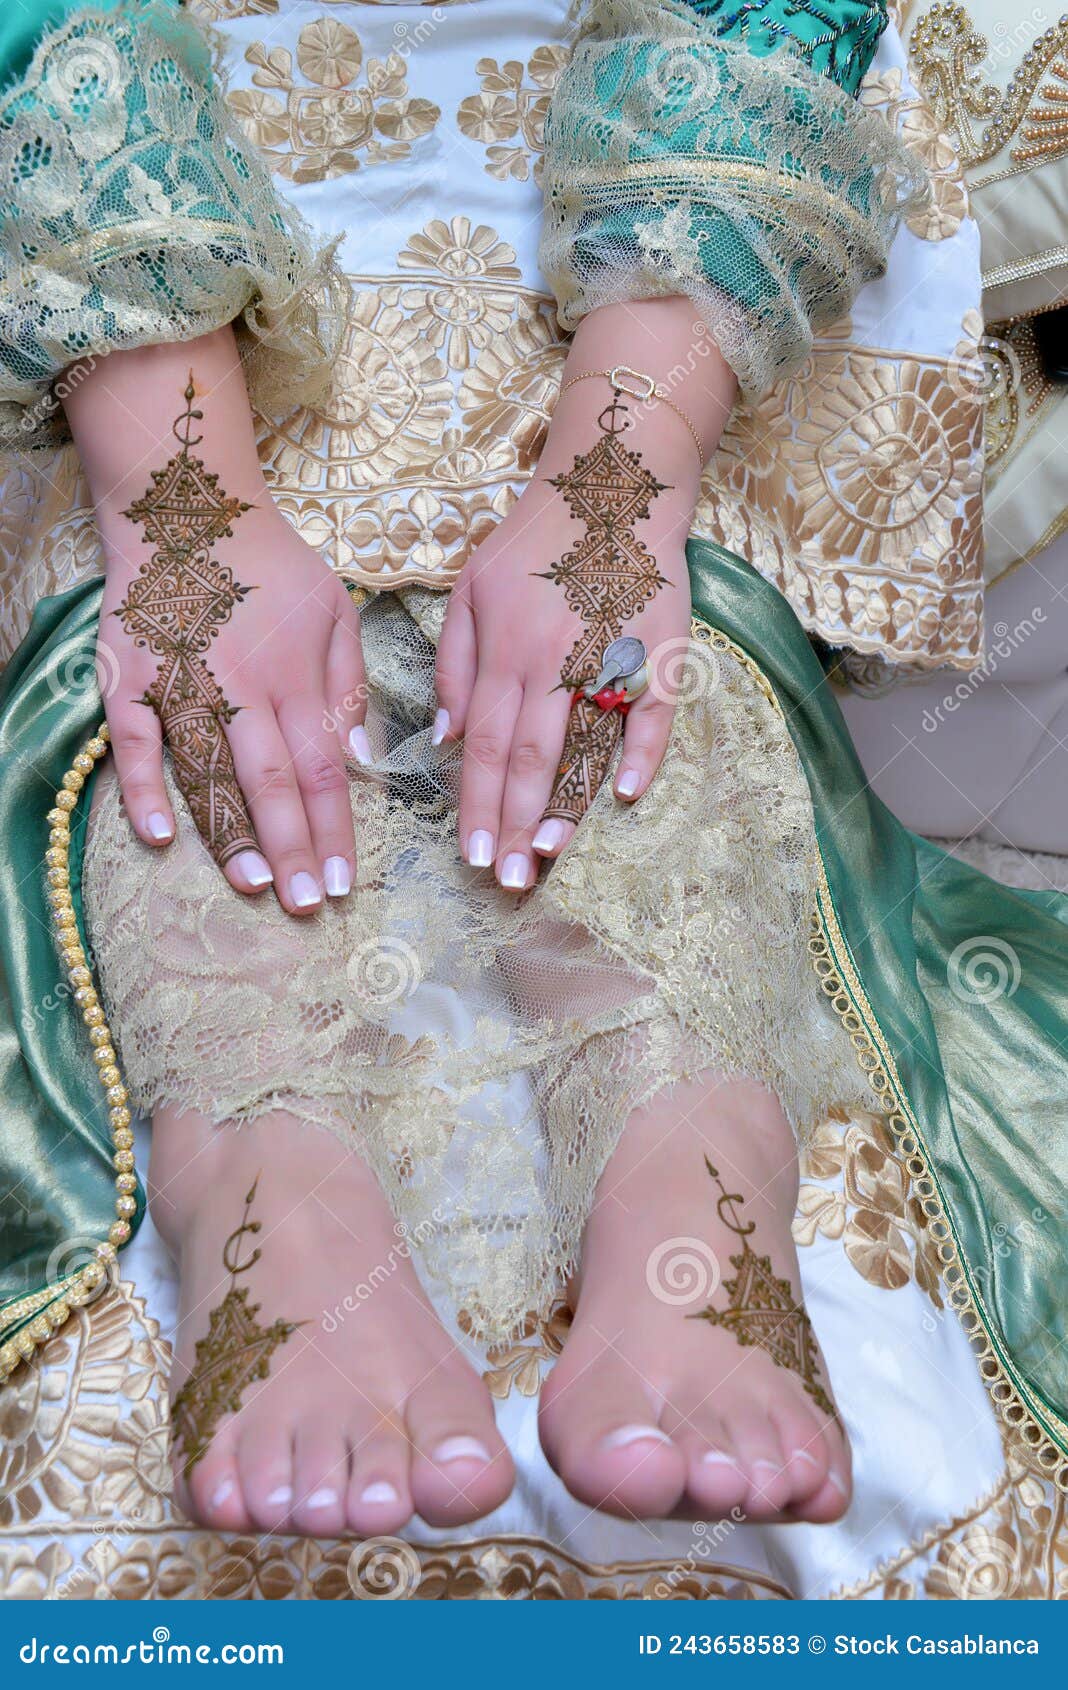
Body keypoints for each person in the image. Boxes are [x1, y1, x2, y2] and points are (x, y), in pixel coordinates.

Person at [1, 0, 1065, 1546]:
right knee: (207, 730)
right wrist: (176, 504)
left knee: (634, 697)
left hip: (657, 298)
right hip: (118, 302)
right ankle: (265, 1179)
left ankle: (695, 1164)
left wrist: (619, 476)